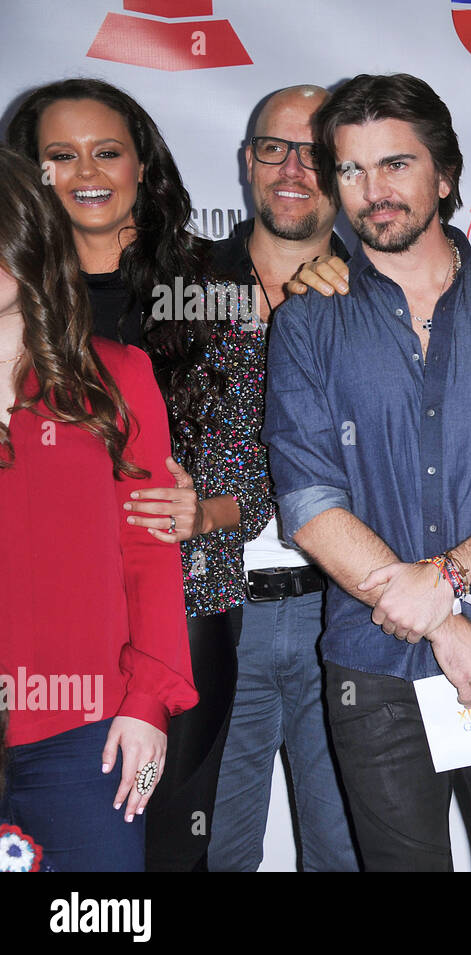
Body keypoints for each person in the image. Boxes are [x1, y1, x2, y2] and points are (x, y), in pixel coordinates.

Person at [262, 73, 471, 871]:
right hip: (375, 666)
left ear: (444, 176)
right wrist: (440, 616)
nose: (374, 192)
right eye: (351, 171)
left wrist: (449, 576)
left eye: (396, 166)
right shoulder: (308, 321)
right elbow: (307, 501)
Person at [8, 79, 273, 871]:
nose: (86, 170)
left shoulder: (213, 290)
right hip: (46, 632)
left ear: (143, 166)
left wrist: (205, 513)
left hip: (179, 614)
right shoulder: (13, 296)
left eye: (107, 150)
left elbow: (266, 478)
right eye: (60, 155)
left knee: (161, 850)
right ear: (30, 175)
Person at [0, 144, 198, 871]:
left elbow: (150, 552)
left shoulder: (116, 376)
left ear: (33, 241)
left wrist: (149, 702)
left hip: (90, 729)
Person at [205, 85, 359, 873]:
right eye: (276, 148)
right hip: (214, 614)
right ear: (247, 162)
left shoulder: (388, 291)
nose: (294, 168)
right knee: (212, 853)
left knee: (347, 853)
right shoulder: (179, 287)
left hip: (348, 613)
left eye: (316, 153)